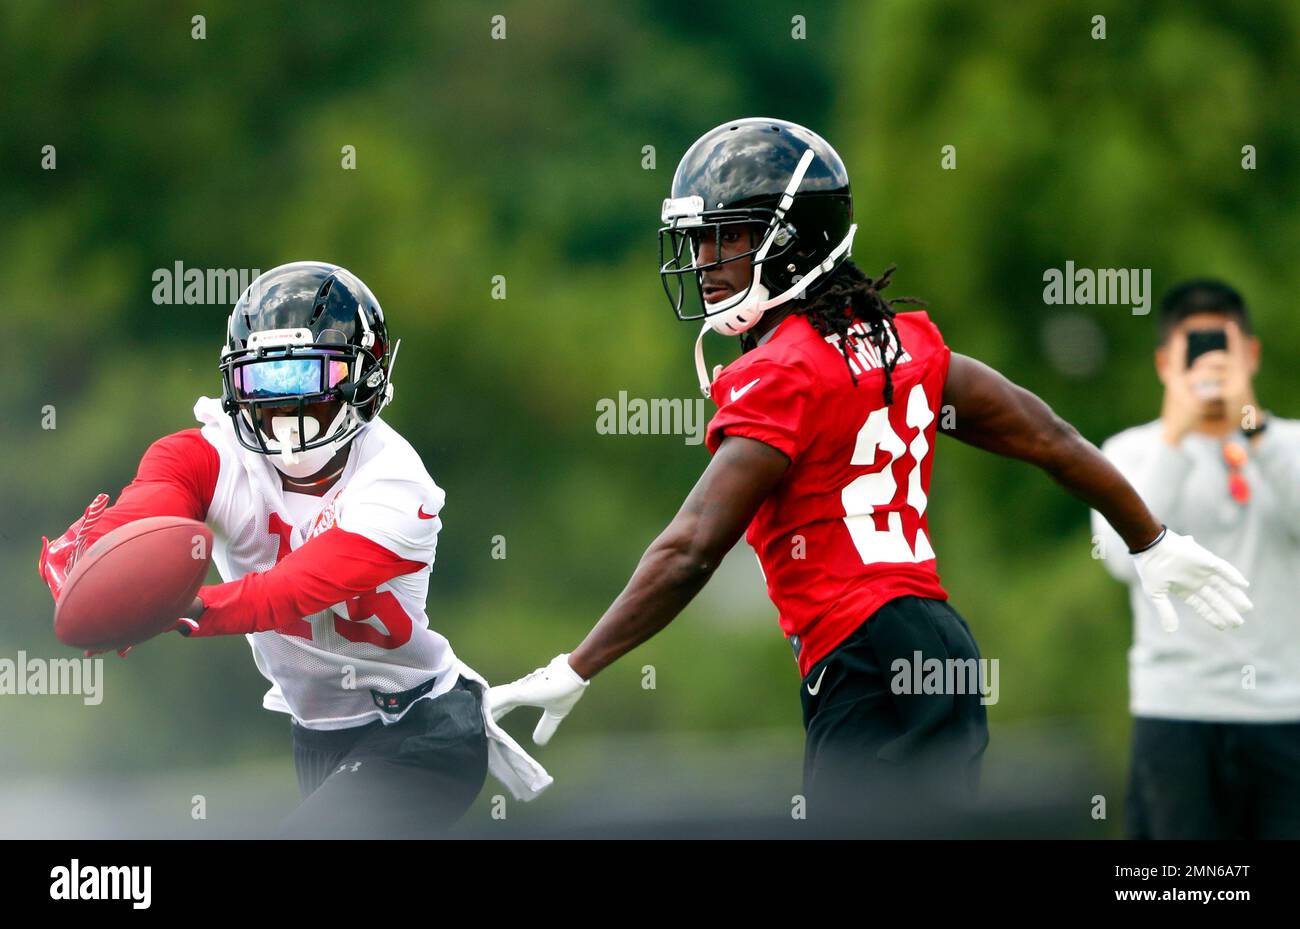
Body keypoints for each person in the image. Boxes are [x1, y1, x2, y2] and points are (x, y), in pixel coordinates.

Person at [487, 118, 1253, 833]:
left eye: (727, 239)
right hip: (944, 652)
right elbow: (1048, 436)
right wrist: (1148, 539)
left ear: (790, 242)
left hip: (862, 657)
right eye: (701, 242)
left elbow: (692, 547)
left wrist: (578, 663)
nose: (704, 263)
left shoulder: (782, 372)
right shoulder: (902, 342)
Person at [38, 261, 549, 838]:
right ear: (236, 386)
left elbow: (296, 590)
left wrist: (187, 609)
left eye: (311, 376)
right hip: (317, 733)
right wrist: (98, 555)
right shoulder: (208, 454)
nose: (289, 408)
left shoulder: (397, 481)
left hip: (420, 726)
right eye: (267, 383)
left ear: (366, 378)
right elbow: (150, 502)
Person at [1090, 279, 1300, 839]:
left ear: (1250, 355)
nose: (1209, 365)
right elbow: (1117, 558)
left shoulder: (1288, 445)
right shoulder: (1128, 453)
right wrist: (1176, 435)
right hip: (1175, 712)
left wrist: (1253, 425)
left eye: (1222, 349)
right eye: (1193, 351)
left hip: (1284, 714)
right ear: (1165, 363)